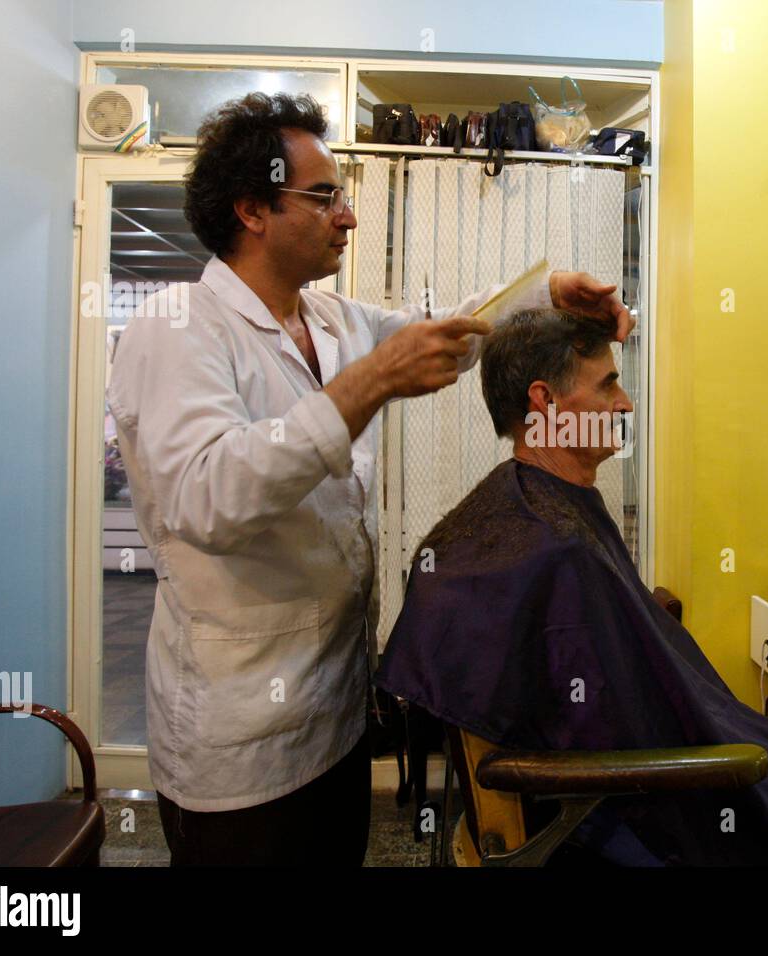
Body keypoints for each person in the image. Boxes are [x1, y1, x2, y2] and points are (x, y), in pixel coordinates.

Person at [107, 93, 631, 866]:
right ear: (253, 210)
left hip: (336, 717)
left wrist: (544, 297)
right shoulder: (176, 326)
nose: (347, 217)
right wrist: (368, 385)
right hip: (241, 744)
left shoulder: (328, 321)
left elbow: (449, 332)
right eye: (325, 198)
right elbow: (206, 499)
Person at [377, 308, 768, 866]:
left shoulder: (545, 511)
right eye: (607, 385)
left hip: (665, 758)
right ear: (546, 403)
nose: (625, 404)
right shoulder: (552, 543)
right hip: (646, 804)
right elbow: (608, 724)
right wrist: (731, 753)